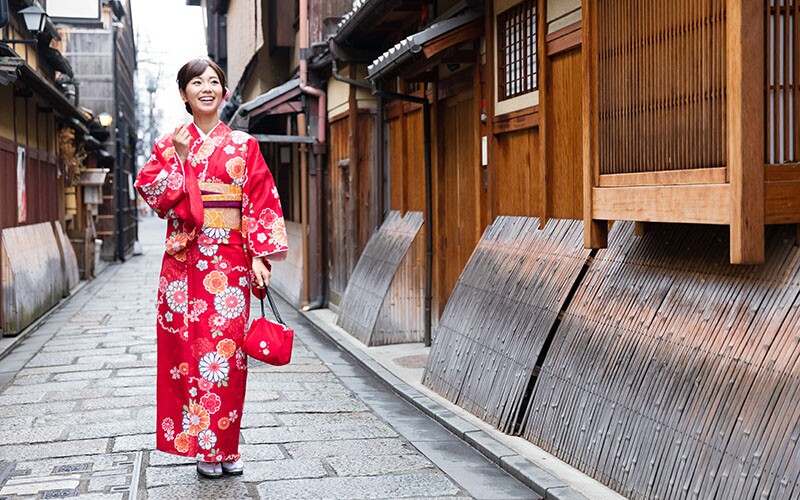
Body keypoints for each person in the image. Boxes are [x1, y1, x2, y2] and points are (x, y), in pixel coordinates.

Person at [134, 58, 288, 479]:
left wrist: (259, 255)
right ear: (183, 94)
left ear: (223, 91)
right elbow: (154, 194)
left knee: (226, 355)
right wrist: (181, 160)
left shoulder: (243, 145)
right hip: (184, 263)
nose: (206, 87)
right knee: (188, 354)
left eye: (214, 81)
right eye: (196, 82)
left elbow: (260, 200)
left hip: (230, 264)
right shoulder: (170, 144)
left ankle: (226, 445)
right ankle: (204, 447)